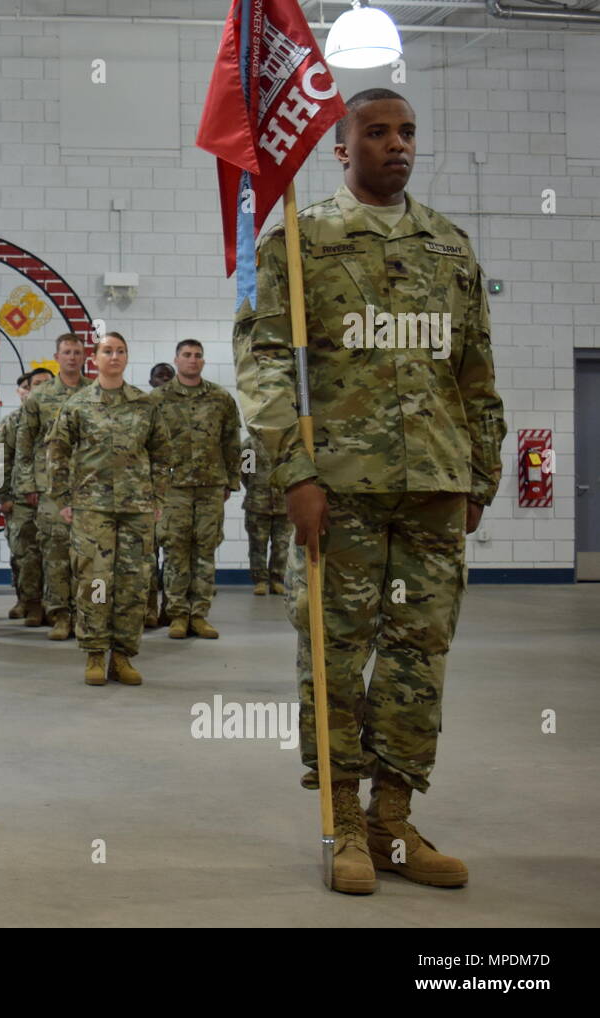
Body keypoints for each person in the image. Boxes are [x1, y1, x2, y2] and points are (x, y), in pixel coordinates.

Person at [233, 88, 506, 895]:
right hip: (341, 489)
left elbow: (477, 374)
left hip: (434, 486)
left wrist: (480, 474)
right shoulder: (302, 241)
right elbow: (264, 362)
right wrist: (296, 472)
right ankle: (344, 823)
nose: (398, 145)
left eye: (408, 132)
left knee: (419, 658)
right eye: (377, 132)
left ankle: (394, 822)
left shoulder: (450, 248)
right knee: (337, 655)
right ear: (341, 148)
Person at [49, 332, 171, 685]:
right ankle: (94, 652)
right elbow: (57, 451)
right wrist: (63, 499)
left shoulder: (145, 404)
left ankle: (122, 656)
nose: (113, 357)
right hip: (93, 509)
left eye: (119, 351)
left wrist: (158, 498)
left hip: (136, 508)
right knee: (95, 581)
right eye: (107, 351)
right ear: (95, 359)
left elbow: (163, 455)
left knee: (134, 584)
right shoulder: (78, 405)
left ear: (126, 358)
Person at [153, 339, 241, 639]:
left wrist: (232, 480)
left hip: (210, 486)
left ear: (203, 362)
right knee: (175, 550)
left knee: (205, 550)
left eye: (198, 356)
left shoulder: (220, 398)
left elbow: (231, 441)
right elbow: (148, 445)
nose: (193, 360)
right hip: (173, 488)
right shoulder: (158, 399)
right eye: (187, 355)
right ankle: (177, 614)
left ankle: (199, 614)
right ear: (176, 360)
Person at [14, 333, 93, 640]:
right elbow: (25, 443)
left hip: (89, 486)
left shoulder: (96, 393)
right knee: (55, 553)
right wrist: (27, 484)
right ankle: (60, 614)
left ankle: (85, 614)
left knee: (87, 554)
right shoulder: (40, 396)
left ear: (84, 357)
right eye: (66, 352)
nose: (72, 357)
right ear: (57, 357)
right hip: (50, 488)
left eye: (77, 352)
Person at [0, 368, 50, 624]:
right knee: (24, 555)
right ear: (27, 389)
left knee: (53, 556)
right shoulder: (12, 422)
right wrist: (2, 496)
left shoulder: (62, 418)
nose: (42, 389)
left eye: (47, 384)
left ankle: (52, 605)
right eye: (37, 384)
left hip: (54, 499)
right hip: (20, 500)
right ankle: (28, 602)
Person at [145, 361, 176, 628]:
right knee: (146, 554)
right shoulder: (143, 407)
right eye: (159, 376)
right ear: (150, 380)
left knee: (176, 553)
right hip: (147, 491)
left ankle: (173, 609)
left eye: (168, 376)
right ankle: (148, 609)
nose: (164, 380)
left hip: (179, 490)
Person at [240, 432, 290, 596]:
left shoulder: (288, 443)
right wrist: (255, 490)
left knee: (282, 545)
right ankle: (260, 581)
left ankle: (277, 580)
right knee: (257, 545)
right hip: (257, 503)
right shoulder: (250, 445)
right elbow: (245, 473)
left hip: (284, 504)